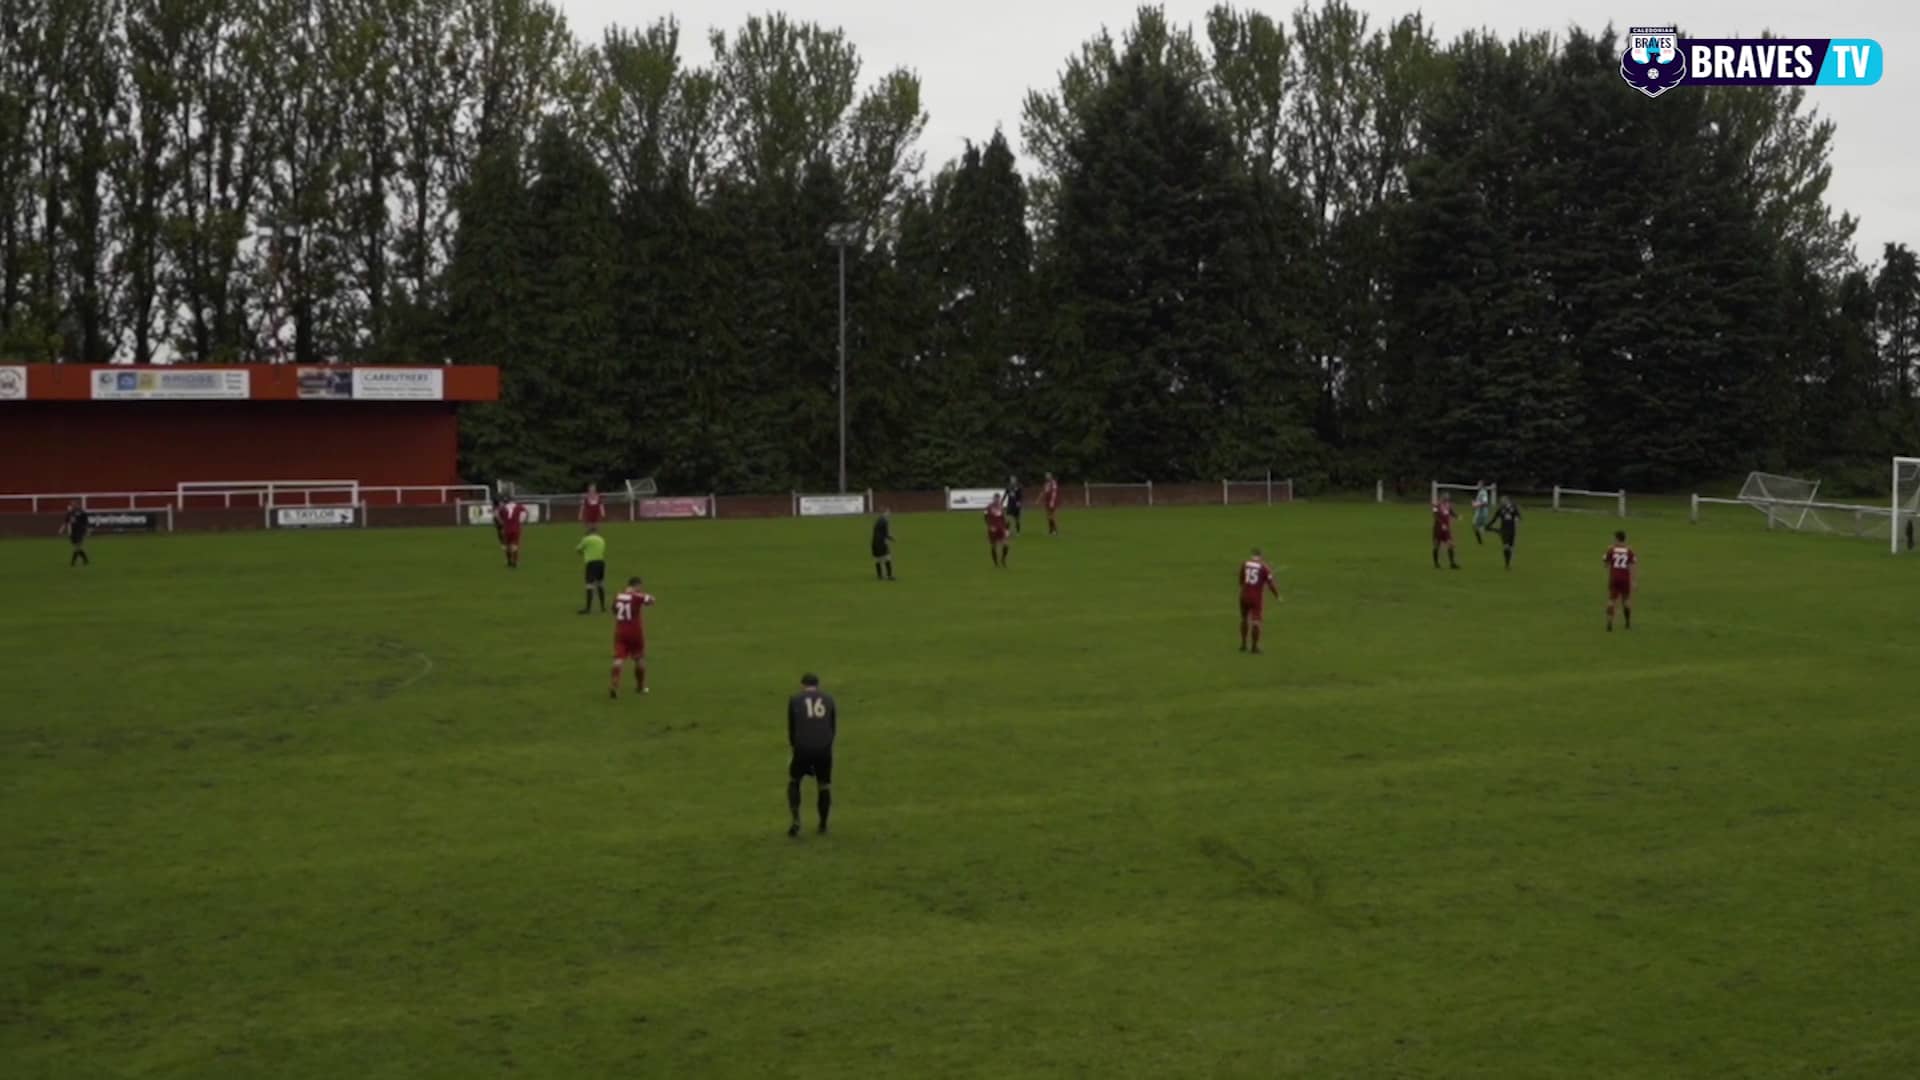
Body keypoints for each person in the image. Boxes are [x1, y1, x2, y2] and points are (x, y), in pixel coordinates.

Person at [786, 673, 837, 837]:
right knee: (824, 785)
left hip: (802, 748)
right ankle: (823, 824)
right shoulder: (829, 700)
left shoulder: (795, 700)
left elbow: (792, 730)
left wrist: (796, 749)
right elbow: (832, 728)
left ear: (802, 685)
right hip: (824, 748)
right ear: (818, 685)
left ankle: (796, 819)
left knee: (794, 781)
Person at [609, 576, 656, 697]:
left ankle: (615, 683)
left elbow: (614, 610)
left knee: (618, 659)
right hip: (635, 632)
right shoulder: (637, 596)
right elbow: (650, 600)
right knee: (639, 658)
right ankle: (640, 687)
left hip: (620, 631)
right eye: (640, 587)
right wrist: (648, 599)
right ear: (636, 585)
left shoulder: (618, 595)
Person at [1238, 547, 1280, 653]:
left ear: (1252, 556)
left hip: (1244, 595)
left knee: (1244, 619)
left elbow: (1241, 580)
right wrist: (1277, 596)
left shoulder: (1245, 564)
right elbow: (1271, 584)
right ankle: (1254, 647)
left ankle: (1243, 644)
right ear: (1260, 556)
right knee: (1256, 622)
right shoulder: (1263, 567)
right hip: (1256, 597)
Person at [1605, 530, 1637, 632]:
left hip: (1614, 577)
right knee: (1626, 600)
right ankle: (1627, 622)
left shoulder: (1611, 549)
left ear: (1616, 538)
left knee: (1611, 600)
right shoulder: (1629, 550)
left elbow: (1606, 564)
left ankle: (1609, 623)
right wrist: (1633, 580)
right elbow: (1632, 565)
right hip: (1625, 578)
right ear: (1625, 539)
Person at [576, 525, 608, 613]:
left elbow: (578, 549)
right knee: (600, 584)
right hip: (601, 563)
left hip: (591, 563)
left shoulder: (586, 539)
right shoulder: (601, 539)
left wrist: (584, 552)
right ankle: (603, 607)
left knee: (589, 585)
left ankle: (588, 609)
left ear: (589, 532)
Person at [1432, 493, 1460, 570]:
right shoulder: (1436, 505)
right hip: (1438, 529)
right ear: (1442, 498)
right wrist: (1441, 524)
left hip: (1446, 529)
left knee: (1450, 544)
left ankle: (1452, 563)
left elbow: (1451, 512)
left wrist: (1457, 516)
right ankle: (1436, 563)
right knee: (1436, 545)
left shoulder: (1448, 505)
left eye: (1448, 499)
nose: (1447, 500)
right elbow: (1435, 516)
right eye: (1446, 499)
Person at [497, 497, 526, 569]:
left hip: (507, 529)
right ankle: (515, 562)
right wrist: (521, 521)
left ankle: (509, 561)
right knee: (515, 545)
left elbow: (497, 515)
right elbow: (525, 513)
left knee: (507, 545)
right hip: (516, 529)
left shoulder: (503, 508)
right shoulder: (519, 506)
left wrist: (502, 522)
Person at [1493, 496, 1522, 570]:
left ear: (1507, 501)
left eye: (1503, 501)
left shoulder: (1513, 508)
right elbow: (1494, 518)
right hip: (1504, 530)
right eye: (1501, 501)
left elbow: (1519, 516)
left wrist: (1517, 519)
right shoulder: (1500, 509)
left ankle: (1508, 563)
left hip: (1512, 530)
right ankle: (1507, 565)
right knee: (1506, 546)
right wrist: (1488, 526)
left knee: (1510, 547)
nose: (1502, 503)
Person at [59, 502, 90, 567]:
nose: (70, 507)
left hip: (80, 531)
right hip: (73, 532)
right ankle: (85, 559)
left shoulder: (82, 513)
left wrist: (87, 530)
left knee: (77, 546)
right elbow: (66, 522)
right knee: (76, 547)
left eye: (72, 506)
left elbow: (86, 523)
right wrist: (61, 529)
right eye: (71, 506)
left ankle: (73, 562)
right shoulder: (69, 513)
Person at [986, 494, 1011, 568]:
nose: (997, 500)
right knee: (994, 546)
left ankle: (1003, 559)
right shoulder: (989, 507)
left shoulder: (1001, 507)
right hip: (993, 529)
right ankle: (995, 563)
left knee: (1006, 544)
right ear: (993, 499)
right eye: (995, 499)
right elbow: (986, 518)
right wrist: (990, 526)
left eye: (998, 499)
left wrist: (1007, 529)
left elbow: (1004, 519)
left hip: (1001, 528)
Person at [871, 509, 895, 581]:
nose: (889, 515)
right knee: (887, 558)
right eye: (888, 513)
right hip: (881, 542)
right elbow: (886, 534)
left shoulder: (878, 520)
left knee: (877, 559)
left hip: (874, 542)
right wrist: (892, 538)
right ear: (885, 513)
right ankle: (890, 576)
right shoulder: (885, 521)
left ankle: (879, 576)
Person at [1471, 481, 1493, 545]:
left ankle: (1480, 541)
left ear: (1482, 485)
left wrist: (1475, 505)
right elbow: (1481, 502)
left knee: (1475, 525)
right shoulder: (1481, 492)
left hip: (1481, 512)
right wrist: (1475, 503)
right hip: (1481, 511)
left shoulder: (1483, 492)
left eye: (1478, 484)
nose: (1477, 485)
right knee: (1480, 526)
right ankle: (1480, 541)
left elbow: (1485, 502)